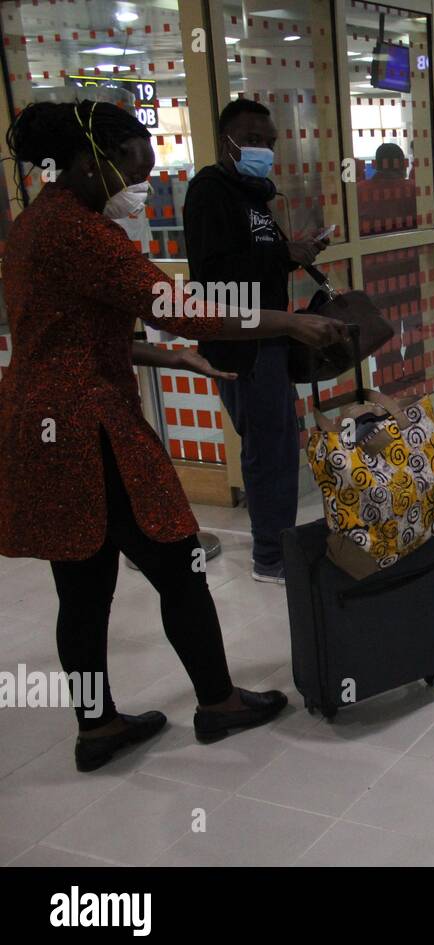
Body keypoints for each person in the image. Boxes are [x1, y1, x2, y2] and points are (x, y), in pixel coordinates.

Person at [0, 100, 348, 771]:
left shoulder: (33, 226)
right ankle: (218, 703)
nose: (141, 187)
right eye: (134, 170)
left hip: (43, 424)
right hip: (88, 426)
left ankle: (97, 725)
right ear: (89, 160)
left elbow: (63, 335)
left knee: (82, 582)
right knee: (177, 560)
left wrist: (168, 358)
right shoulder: (81, 235)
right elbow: (186, 311)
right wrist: (288, 322)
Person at [183, 98, 330, 585]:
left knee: (279, 444)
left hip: (269, 334)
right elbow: (214, 274)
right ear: (226, 140)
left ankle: (277, 545)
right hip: (241, 342)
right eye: (251, 140)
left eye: (269, 142)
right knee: (268, 448)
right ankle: (270, 555)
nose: (263, 149)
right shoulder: (210, 192)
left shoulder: (254, 195)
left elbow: (258, 260)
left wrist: (293, 254)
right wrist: (281, 254)